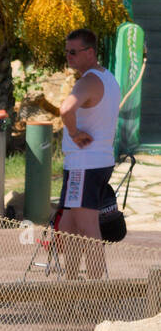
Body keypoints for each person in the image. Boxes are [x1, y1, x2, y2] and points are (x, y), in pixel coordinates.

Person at [57, 28, 120, 279]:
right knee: (68, 226)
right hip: (95, 161)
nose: (68, 56)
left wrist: (73, 133)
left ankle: (94, 293)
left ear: (90, 52)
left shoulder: (89, 80)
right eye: (66, 51)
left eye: (73, 52)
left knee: (87, 228)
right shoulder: (107, 77)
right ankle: (72, 285)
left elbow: (66, 109)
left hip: (85, 164)